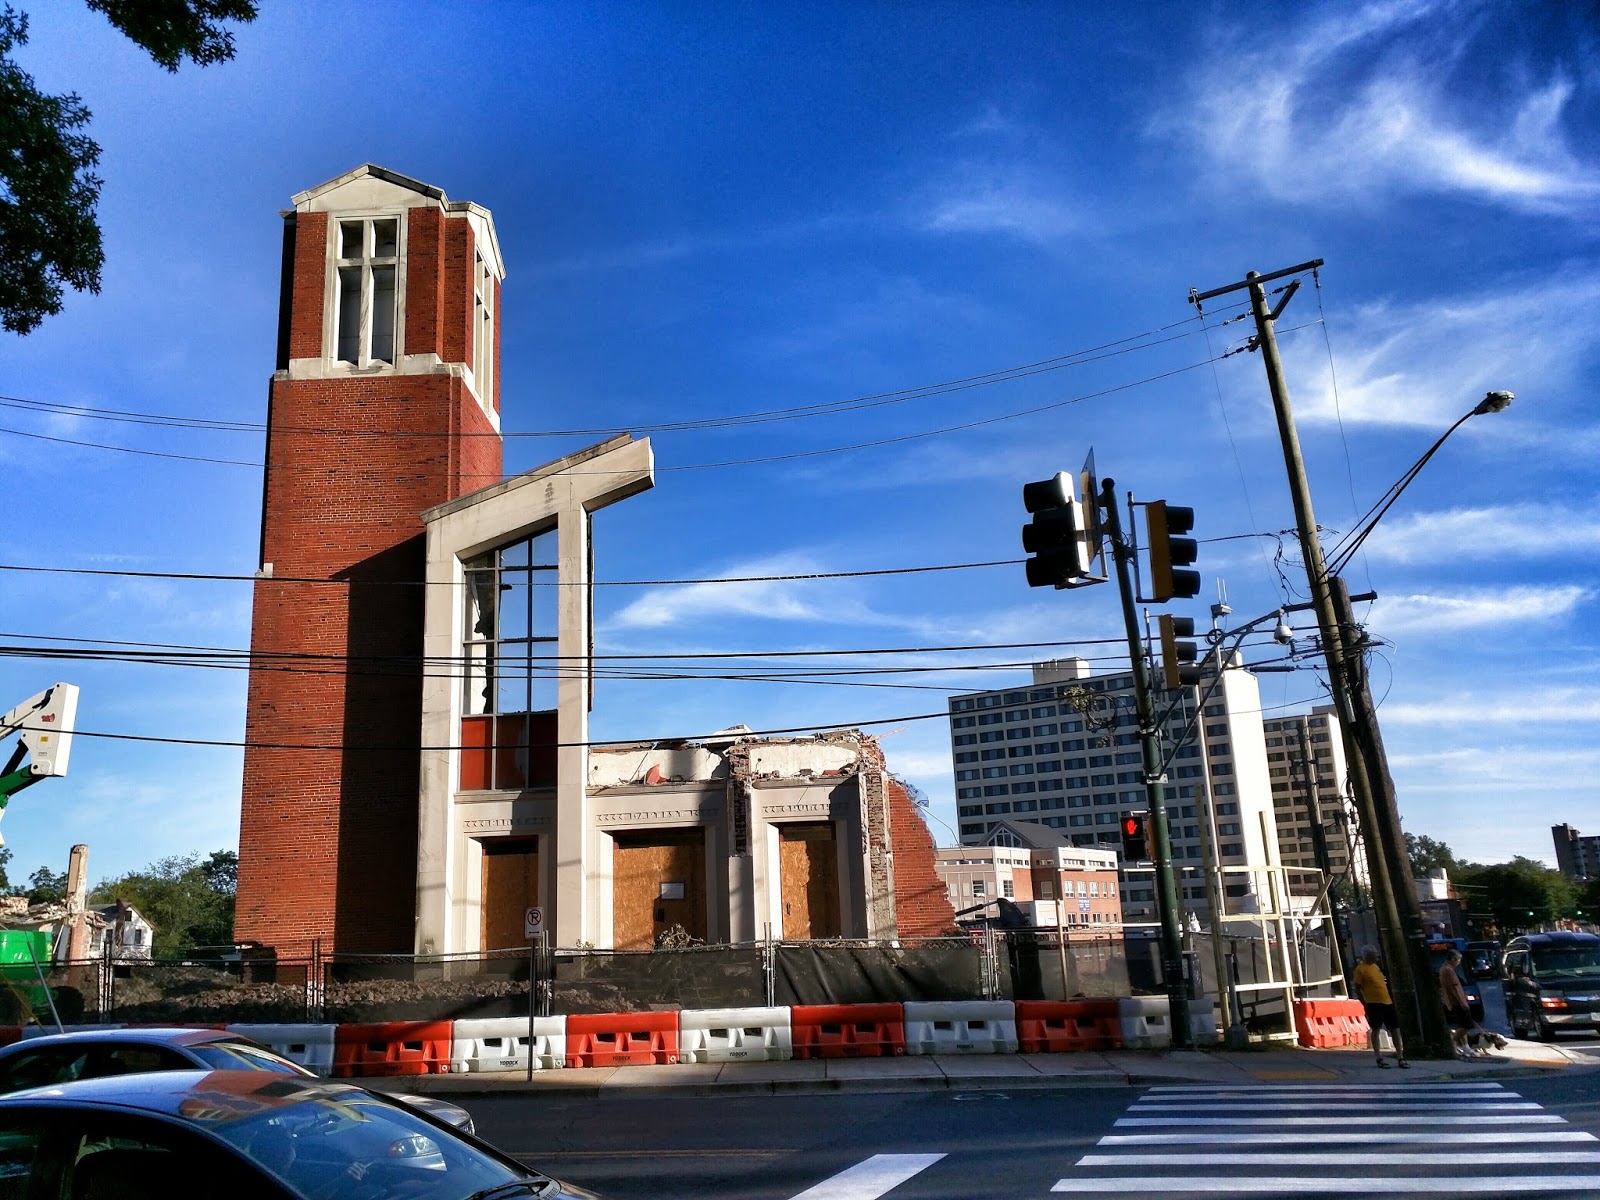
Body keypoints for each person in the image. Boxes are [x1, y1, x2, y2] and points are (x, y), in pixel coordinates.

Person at [1352, 945, 1408, 1068]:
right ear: (1367, 956)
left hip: (1386, 1001)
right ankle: (1379, 1057)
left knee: (1395, 1029)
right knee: (1376, 1029)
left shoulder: (1376, 967)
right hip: (1373, 1003)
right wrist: (1364, 1002)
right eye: (1374, 955)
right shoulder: (1361, 969)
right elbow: (1357, 987)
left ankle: (1400, 1056)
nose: (1376, 957)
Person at [1440, 948, 1475, 1058]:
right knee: (1466, 1025)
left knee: (1461, 1024)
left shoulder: (1443, 968)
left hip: (1452, 1002)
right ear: (1453, 959)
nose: (1459, 963)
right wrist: (1462, 1002)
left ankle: (1465, 1047)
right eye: (1458, 960)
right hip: (1457, 1002)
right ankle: (1452, 1044)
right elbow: (1454, 988)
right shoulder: (1449, 970)